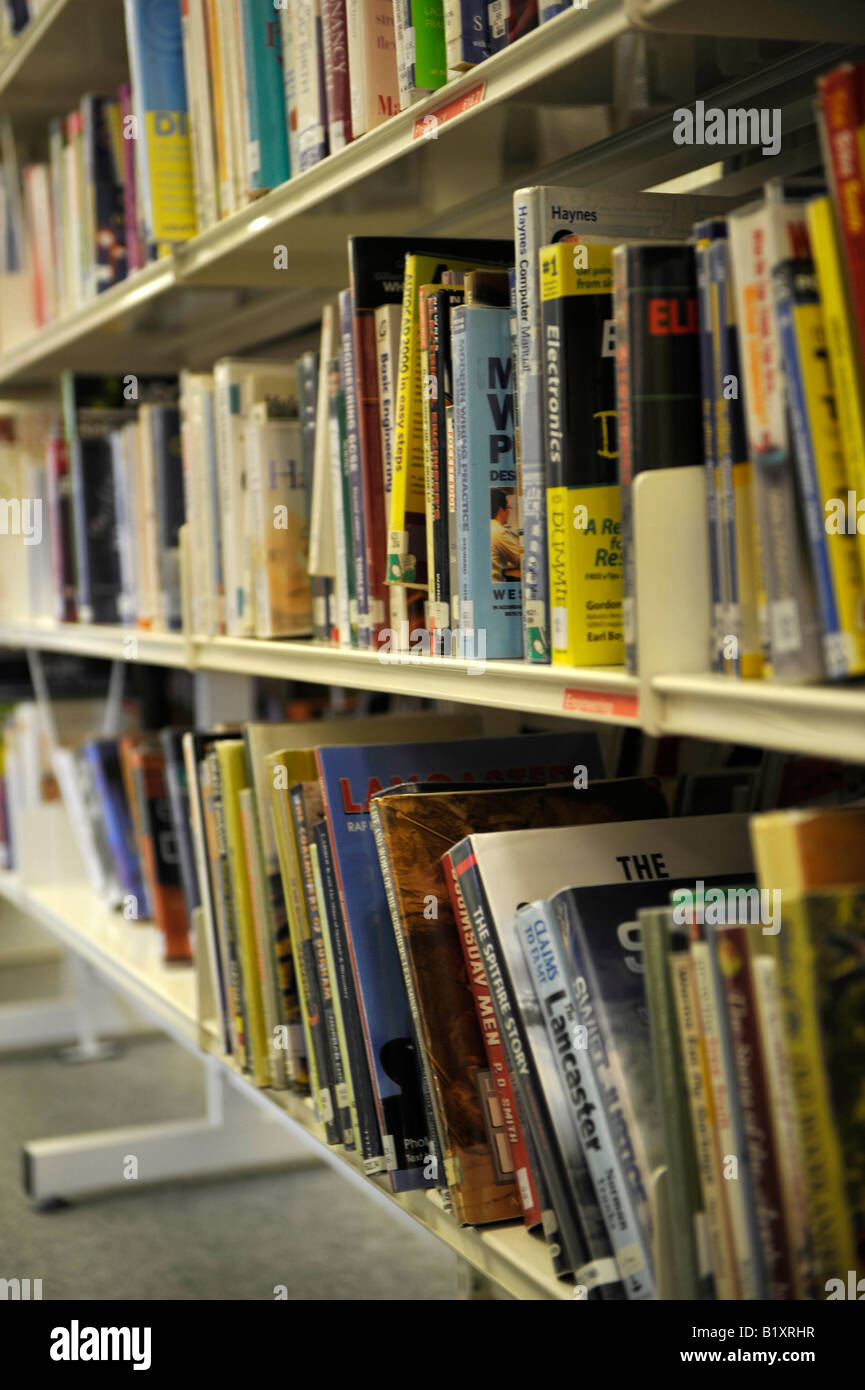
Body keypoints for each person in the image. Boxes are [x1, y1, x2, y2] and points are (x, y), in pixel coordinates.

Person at [490, 488, 522, 582]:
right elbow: (521, 560)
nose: (509, 512)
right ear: (501, 510)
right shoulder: (499, 531)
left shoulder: (485, 527)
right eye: (508, 508)